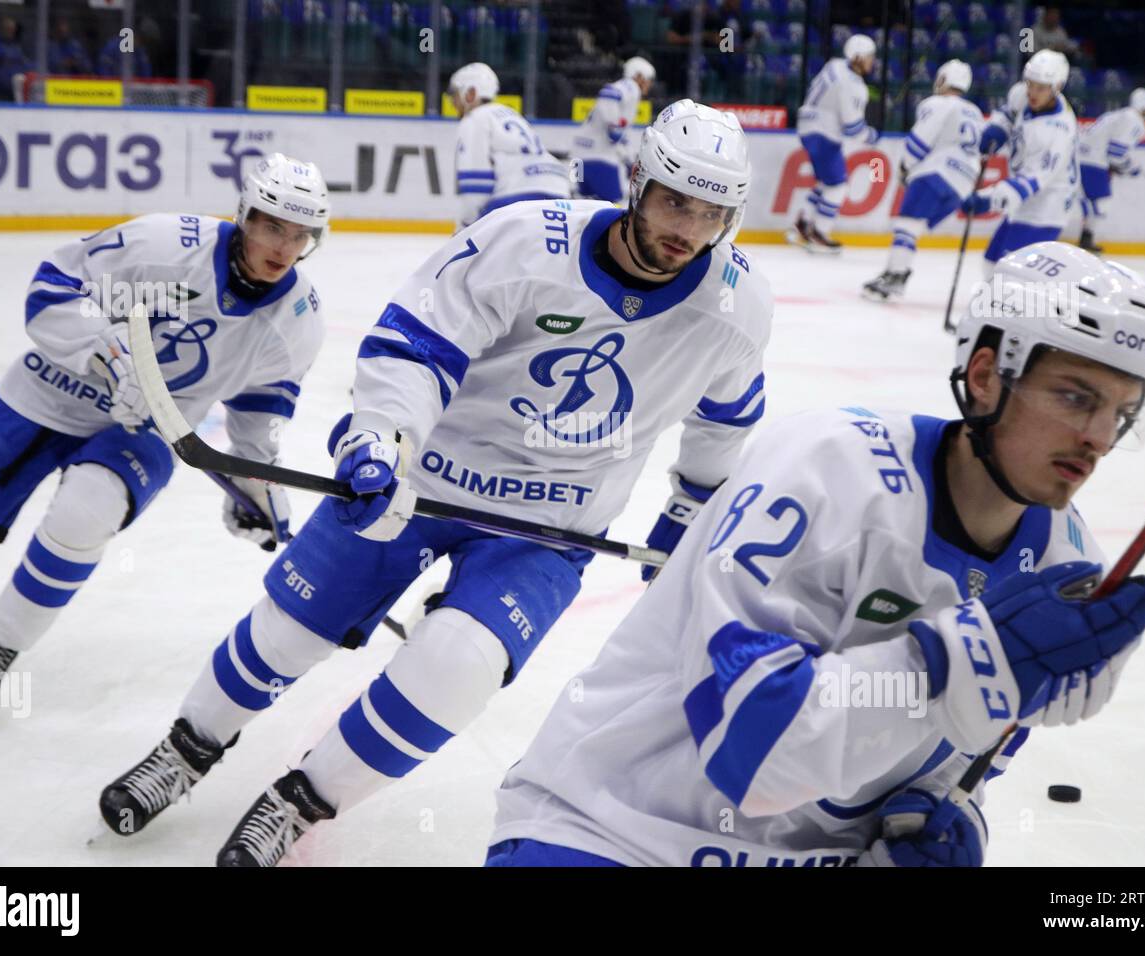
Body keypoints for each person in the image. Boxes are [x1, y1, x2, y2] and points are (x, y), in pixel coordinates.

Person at [99, 100, 774, 868]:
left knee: (456, 670)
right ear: (636, 182)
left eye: (710, 212)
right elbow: (418, 346)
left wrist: (683, 528)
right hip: (418, 482)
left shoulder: (737, 306)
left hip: (550, 533)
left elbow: (723, 433)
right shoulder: (524, 241)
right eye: (674, 201)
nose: (687, 229)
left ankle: (298, 803)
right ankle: (186, 750)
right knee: (287, 630)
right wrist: (380, 440)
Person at [486, 241, 1145, 866]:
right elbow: (746, 744)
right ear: (986, 375)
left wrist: (940, 812)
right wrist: (968, 659)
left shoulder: (1065, 568)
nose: (1099, 437)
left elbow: (968, 752)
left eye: (1122, 412)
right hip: (611, 833)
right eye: (1075, 397)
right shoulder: (827, 467)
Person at [0, 154, 330, 710]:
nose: (284, 249)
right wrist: (107, 355)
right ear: (244, 216)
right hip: (50, 391)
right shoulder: (163, 243)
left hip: (147, 427)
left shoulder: (298, 319)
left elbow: (260, 405)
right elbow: (51, 289)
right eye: (272, 227)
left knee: (85, 513)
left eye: (300, 235)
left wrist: (254, 484)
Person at [863, 59, 984, 301]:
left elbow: (922, 138)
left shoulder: (936, 103)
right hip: (964, 183)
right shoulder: (976, 112)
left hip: (937, 173)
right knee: (915, 227)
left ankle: (895, 277)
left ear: (942, 80)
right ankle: (897, 272)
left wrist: (905, 165)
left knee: (906, 224)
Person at [967, 50, 1078, 277]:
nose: (1032, 93)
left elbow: (1033, 181)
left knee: (1012, 271)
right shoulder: (1023, 93)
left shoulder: (1057, 131)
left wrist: (989, 199)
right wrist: (996, 130)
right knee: (992, 259)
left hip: (1047, 205)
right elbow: (1008, 113)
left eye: (1041, 88)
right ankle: (995, 303)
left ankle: (1008, 307)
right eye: (1031, 84)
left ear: (1056, 87)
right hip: (1024, 202)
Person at [448, 62, 571, 229]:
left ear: (471, 93)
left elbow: (476, 184)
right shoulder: (511, 114)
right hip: (559, 192)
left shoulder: (474, 119)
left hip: (518, 195)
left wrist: (465, 228)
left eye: (456, 95)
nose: (453, 102)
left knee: (484, 252)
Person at [788, 34, 880, 253]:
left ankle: (801, 225)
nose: (872, 61)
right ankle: (819, 233)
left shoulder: (835, 65)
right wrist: (872, 136)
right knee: (838, 185)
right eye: (869, 57)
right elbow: (854, 128)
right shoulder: (854, 85)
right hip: (824, 133)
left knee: (825, 183)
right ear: (858, 56)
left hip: (808, 127)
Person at [1077, 88, 1145, 253]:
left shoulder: (1117, 115)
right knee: (1100, 204)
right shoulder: (1135, 120)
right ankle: (1086, 240)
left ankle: (1086, 239)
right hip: (1093, 163)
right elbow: (1116, 153)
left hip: (1083, 159)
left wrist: (1119, 165)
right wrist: (1132, 168)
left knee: (1092, 202)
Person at [572, 57, 656, 205]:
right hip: (599, 159)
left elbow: (622, 140)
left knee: (581, 207)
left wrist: (629, 160)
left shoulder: (628, 94)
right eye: (649, 79)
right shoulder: (631, 86)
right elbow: (608, 93)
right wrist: (613, 125)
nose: (649, 84)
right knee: (615, 209)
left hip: (577, 159)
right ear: (639, 76)